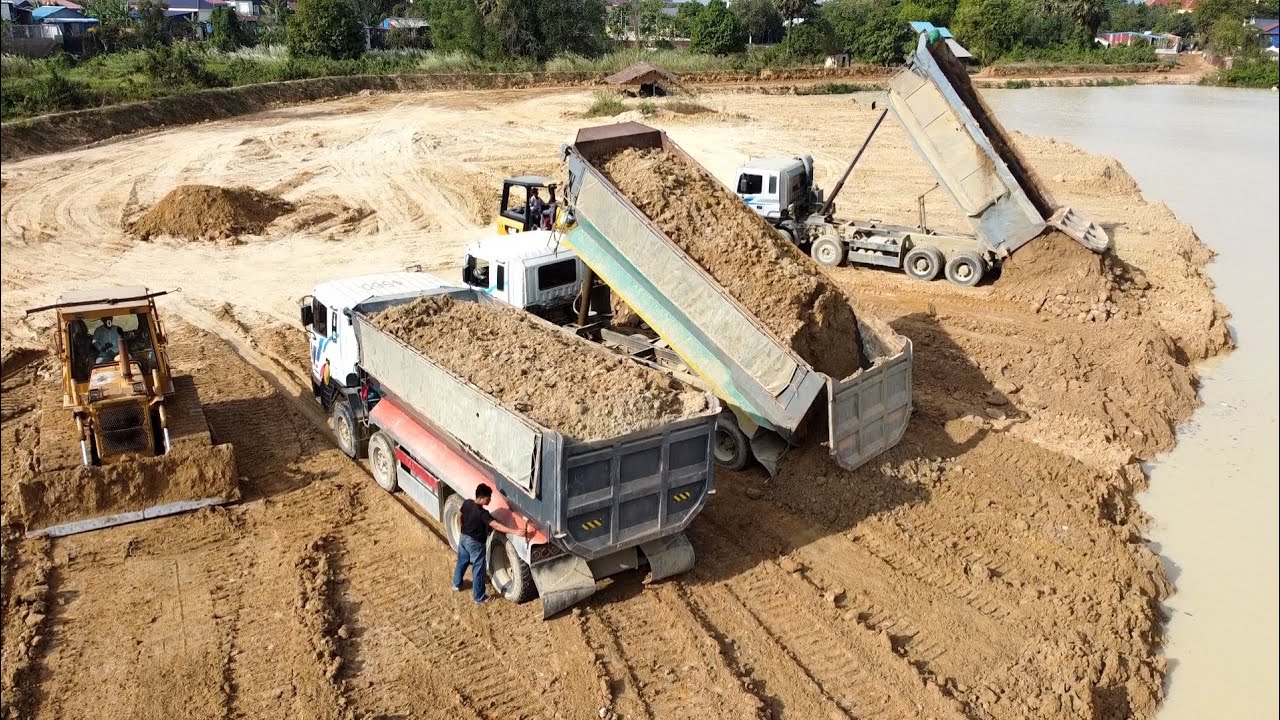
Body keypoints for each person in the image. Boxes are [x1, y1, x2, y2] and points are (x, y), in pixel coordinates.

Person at [453, 483, 532, 605]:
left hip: (464, 538)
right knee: (478, 570)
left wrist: (462, 527)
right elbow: (495, 525)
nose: (490, 500)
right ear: (482, 497)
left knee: (462, 561)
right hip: (475, 544)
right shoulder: (482, 514)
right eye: (488, 498)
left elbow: (459, 515)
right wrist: (515, 531)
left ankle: (456, 584)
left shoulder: (468, 503)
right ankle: (479, 598)